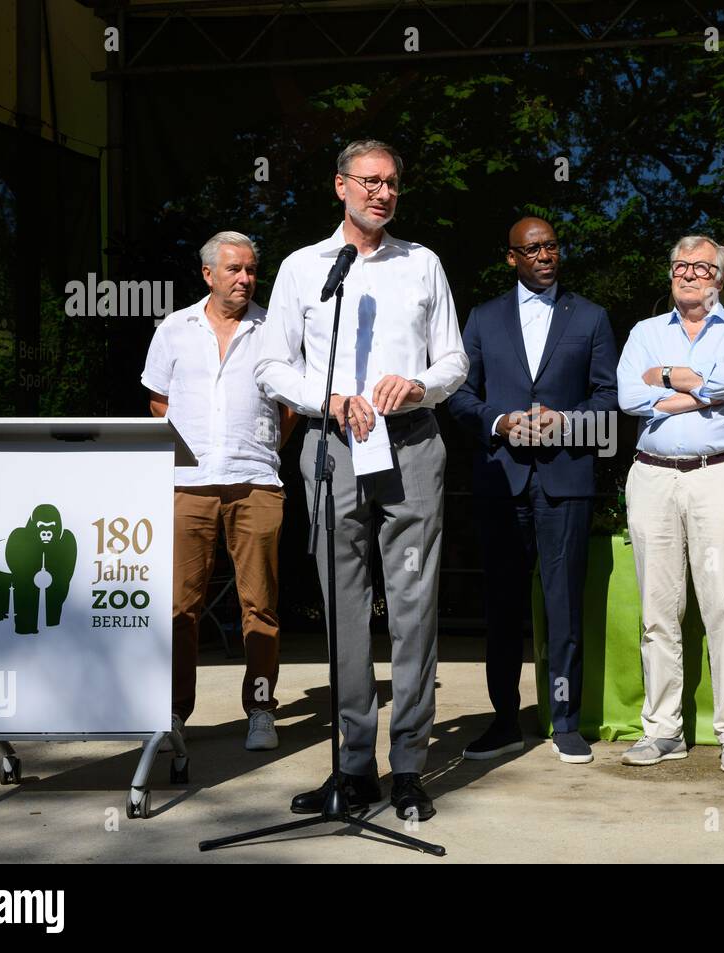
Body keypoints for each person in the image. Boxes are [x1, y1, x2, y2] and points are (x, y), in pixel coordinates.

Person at [255, 140, 468, 822]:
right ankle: (352, 768)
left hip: (409, 445)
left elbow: (455, 359)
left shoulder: (423, 264)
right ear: (340, 186)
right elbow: (272, 365)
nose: (383, 193)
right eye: (370, 182)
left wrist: (422, 383)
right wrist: (330, 399)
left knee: (413, 608)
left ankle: (407, 765)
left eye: (393, 184)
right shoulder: (303, 268)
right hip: (333, 446)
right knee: (344, 614)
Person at [448, 216, 618, 765]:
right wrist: (499, 423)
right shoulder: (482, 318)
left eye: (551, 246)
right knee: (501, 605)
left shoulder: (589, 317)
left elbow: (608, 400)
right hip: (502, 478)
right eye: (533, 248)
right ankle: (504, 721)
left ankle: (565, 722)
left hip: (565, 480)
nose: (546, 255)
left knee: (564, 603)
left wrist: (564, 423)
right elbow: (459, 396)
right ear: (512, 257)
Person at [142, 230, 297, 752]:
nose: (245, 279)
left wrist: (261, 447)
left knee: (261, 607)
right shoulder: (174, 329)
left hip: (255, 483)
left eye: (251, 269)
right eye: (234, 269)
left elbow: (290, 407)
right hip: (187, 484)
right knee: (177, 607)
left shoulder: (274, 328)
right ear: (208, 274)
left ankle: (260, 709)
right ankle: (172, 713)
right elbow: (159, 403)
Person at [615, 235, 724, 773]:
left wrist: (666, 379)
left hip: (720, 473)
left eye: (701, 267)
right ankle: (662, 731)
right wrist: (701, 387)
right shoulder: (645, 331)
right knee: (658, 611)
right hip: (652, 476)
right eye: (680, 265)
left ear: (720, 278)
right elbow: (628, 396)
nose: (688, 274)